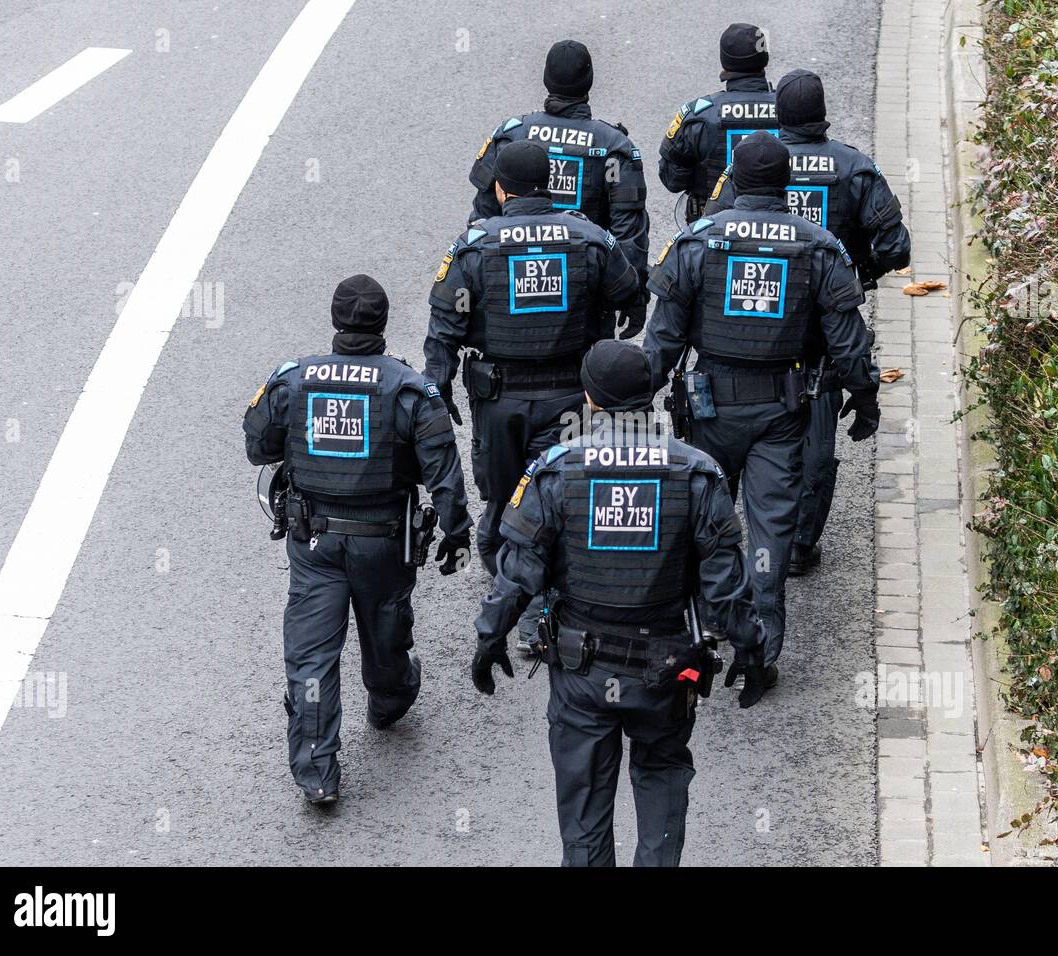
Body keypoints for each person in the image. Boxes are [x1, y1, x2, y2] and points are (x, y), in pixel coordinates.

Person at [472, 339, 767, 866]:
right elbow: (725, 585)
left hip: (580, 666)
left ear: (590, 398)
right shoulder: (697, 471)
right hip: (666, 666)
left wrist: (491, 634)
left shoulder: (557, 469)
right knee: (661, 776)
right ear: (649, 394)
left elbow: (519, 570)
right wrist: (751, 647)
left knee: (583, 803)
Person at [642, 132, 881, 673]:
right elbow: (848, 341)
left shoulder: (696, 241)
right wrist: (865, 398)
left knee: (706, 515)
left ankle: (709, 621)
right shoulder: (819, 246)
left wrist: (629, 406)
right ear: (787, 184)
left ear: (736, 180)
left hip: (709, 411)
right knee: (771, 527)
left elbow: (662, 342)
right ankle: (763, 647)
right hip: (782, 411)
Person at [244, 274, 472, 804]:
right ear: (383, 324)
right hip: (385, 543)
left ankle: (317, 773)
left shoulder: (292, 380)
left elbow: (257, 445)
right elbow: (445, 470)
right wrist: (456, 533)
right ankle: (389, 701)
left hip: (313, 542)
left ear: (335, 321)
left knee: (310, 657)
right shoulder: (410, 388)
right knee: (387, 630)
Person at [426, 140, 640, 648]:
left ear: (500, 190)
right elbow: (629, 291)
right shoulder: (588, 237)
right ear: (551, 183)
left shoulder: (474, 245)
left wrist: (438, 386)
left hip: (499, 402)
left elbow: (444, 325)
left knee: (505, 494)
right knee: (554, 492)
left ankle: (513, 589)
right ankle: (537, 600)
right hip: (569, 396)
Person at [705, 68, 911, 574]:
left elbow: (709, 235)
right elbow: (896, 247)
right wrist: (852, 270)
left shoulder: (750, 168)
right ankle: (797, 542)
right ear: (822, 114)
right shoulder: (855, 167)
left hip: (762, 329)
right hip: (825, 331)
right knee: (817, 439)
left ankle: (721, 542)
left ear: (779, 114)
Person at [469, 39, 650, 333]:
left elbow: (481, 219)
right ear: (589, 82)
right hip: (585, 290)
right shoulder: (615, 146)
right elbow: (628, 232)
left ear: (546, 79)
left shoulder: (510, 135)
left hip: (511, 284)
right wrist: (633, 296)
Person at [657, 22, 777, 223]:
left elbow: (672, 179)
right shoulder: (790, 109)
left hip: (712, 231)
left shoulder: (699, 114)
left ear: (725, 64)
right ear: (764, 60)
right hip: (784, 225)